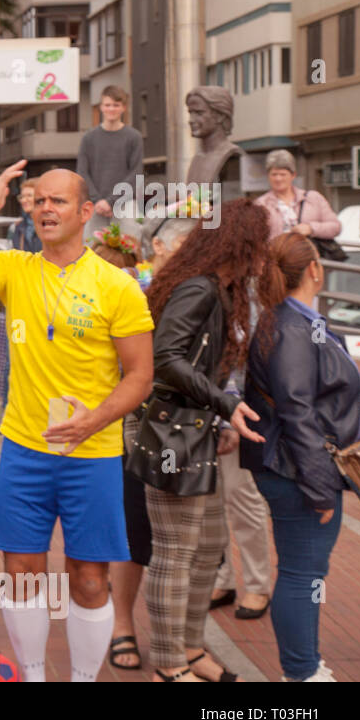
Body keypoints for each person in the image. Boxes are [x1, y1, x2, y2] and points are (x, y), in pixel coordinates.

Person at [0, 163, 156, 681]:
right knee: (22, 573)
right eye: (38, 201)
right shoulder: (14, 267)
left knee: (89, 578)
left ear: (84, 214)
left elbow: (141, 377)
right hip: (25, 450)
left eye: (58, 202)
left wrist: (92, 421)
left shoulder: (116, 285)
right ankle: (33, 674)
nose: (46, 209)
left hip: (93, 455)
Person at [134, 199, 277, 683]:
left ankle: (191, 650)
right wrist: (223, 405)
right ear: (242, 242)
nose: (264, 256)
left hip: (194, 429)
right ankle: (170, 665)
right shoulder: (199, 288)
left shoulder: (218, 288)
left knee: (208, 542)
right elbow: (167, 357)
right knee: (176, 551)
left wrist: (217, 415)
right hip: (173, 431)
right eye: (260, 243)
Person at [242, 232, 360, 683]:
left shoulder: (295, 319)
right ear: (314, 269)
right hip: (295, 470)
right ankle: (303, 672)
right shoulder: (291, 326)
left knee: (305, 569)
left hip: (293, 466)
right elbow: (296, 409)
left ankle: (305, 666)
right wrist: (319, 487)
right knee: (302, 572)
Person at [108, 214, 198, 671]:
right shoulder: (131, 286)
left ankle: (182, 641)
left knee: (185, 542)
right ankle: (122, 623)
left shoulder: (199, 294)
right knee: (133, 531)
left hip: (189, 432)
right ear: (160, 247)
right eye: (187, 244)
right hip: (134, 426)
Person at [76, 86, 144, 236]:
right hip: (95, 205)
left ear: (123, 108)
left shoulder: (134, 137)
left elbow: (136, 173)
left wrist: (111, 201)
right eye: (107, 105)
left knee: (129, 251)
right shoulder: (89, 138)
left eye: (116, 105)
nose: (111, 109)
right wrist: (98, 201)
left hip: (125, 204)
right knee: (92, 251)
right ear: (101, 107)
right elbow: (82, 172)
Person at [254, 149, 341, 243]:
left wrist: (311, 228)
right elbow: (255, 236)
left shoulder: (313, 198)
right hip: (275, 256)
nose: (278, 179)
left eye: (283, 174)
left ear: (293, 175)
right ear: (268, 176)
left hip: (310, 255)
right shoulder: (260, 204)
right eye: (274, 174)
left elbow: (336, 227)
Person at [10, 177, 42, 253]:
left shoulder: (51, 225)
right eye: (22, 197)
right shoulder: (18, 227)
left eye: (29, 196)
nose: (23, 200)